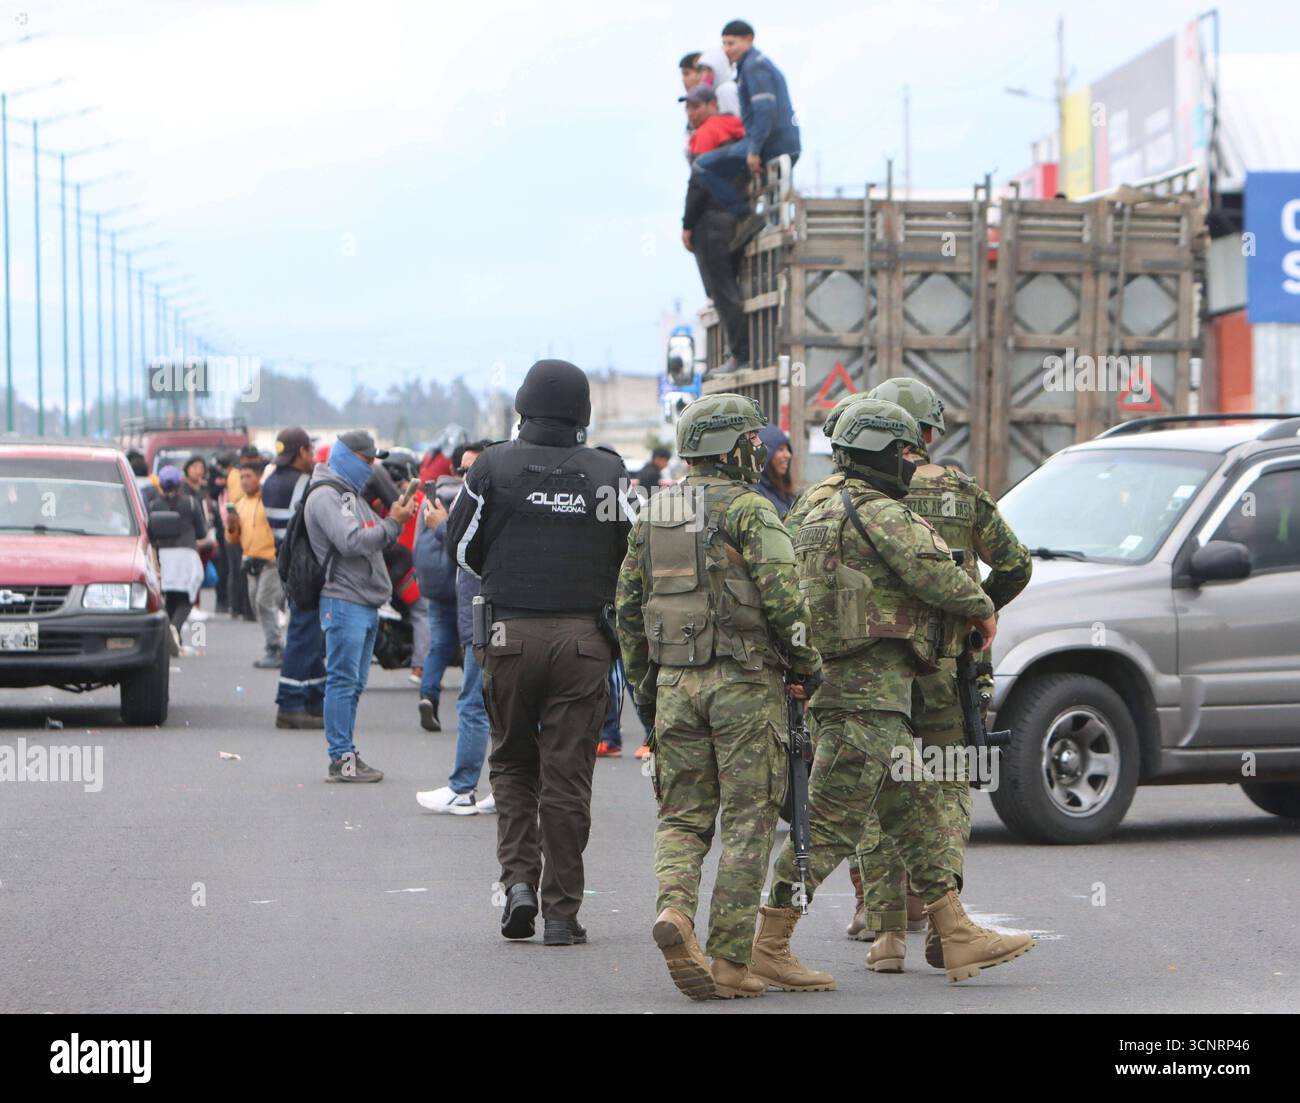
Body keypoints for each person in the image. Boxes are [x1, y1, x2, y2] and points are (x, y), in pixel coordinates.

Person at [752, 399, 1034, 989]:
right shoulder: (879, 510)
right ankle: (768, 941)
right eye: (904, 452)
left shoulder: (811, 503)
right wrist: (982, 609)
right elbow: (939, 575)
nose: (911, 463)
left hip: (845, 684)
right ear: (881, 453)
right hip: (869, 693)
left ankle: (954, 932)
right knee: (828, 824)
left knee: (911, 813)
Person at [616, 393, 822, 1001]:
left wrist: (650, 699)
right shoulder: (754, 512)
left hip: (677, 685)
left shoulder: (655, 512)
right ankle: (731, 960)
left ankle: (676, 913)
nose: (759, 449)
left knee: (681, 816)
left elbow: (627, 613)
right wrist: (808, 670)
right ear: (731, 448)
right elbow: (788, 603)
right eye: (752, 440)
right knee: (748, 822)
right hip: (746, 688)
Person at [443, 359, 634, 946]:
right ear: (583, 411)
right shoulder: (608, 472)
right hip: (583, 641)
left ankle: (518, 884)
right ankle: (561, 912)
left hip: (508, 637)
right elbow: (630, 552)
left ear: (523, 405)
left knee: (512, 763)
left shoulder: (492, 465)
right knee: (568, 777)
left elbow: (462, 550)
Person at [850, 378, 1031, 967]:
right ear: (924, 433)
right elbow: (1016, 563)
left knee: (882, 792)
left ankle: (885, 936)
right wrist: (980, 611)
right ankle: (942, 929)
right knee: (947, 791)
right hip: (949, 670)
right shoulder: (959, 492)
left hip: (878, 670)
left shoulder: (856, 493)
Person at [304, 430, 418, 782]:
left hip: (362, 602)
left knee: (352, 684)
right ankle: (341, 758)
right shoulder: (326, 496)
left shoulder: (349, 495)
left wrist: (391, 522)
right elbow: (353, 541)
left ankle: (347, 754)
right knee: (342, 682)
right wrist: (393, 523)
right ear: (347, 458)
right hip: (343, 602)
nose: (371, 469)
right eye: (366, 461)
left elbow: (371, 539)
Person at [416, 440, 498, 814]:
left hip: (487, 618)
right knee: (500, 708)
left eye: (471, 469)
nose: (464, 476)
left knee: (474, 704)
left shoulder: (492, 502)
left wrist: (441, 526)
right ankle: (507, 788)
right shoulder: (476, 499)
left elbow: (474, 551)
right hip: (477, 615)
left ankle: (462, 788)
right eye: (461, 470)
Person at [692, 19, 801, 254]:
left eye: (732, 43)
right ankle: (753, 217)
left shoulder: (754, 66)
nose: (727, 49)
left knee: (702, 166)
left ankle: (743, 214)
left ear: (749, 40)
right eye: (724, 44)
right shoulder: (751, 66)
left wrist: (754, 149)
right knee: (772, 200)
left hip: (772, 145)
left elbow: (765, 111)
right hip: (782, 144)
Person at [682, 87, 750, 377]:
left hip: (710, 219)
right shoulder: (732, 127)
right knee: (729, 287)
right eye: (688, 107)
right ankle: (737, 352)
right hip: (733, 214)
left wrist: (687, 224)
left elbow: (698, 185)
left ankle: (738, 354)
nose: (691, 112)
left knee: (721, 290)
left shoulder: (707, 134)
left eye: (696, 106)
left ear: (712, 104)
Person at [265, 427, 329, 730]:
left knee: (312, 634)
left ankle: (315, 698)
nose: (313, 457)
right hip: (305, 568)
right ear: (301, 452)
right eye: (310, 451)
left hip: (286, 565)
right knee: (304, 634)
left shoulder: (271, 481)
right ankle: (290, 703)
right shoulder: (305, 482)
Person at [413, 443, 479, 732]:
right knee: (473, 647)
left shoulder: (432, 495)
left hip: (436, 586)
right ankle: (475, 703)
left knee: (439, 646)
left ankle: (428, 697)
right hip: (466, 583)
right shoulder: (475, 497)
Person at [225, 458, 285, 668]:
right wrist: (231, 527)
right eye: (241, 477)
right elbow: (232, 539)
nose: (244, 481)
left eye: (248, 476)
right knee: (256, 605)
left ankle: (275, 648)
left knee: (263, 602)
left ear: (260, 477)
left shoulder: (270, 500)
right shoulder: (240, 504)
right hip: (250, 563)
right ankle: (276, 644)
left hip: (271, 561)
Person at [150, 465, 209, 653]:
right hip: (187, 555)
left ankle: (173, 638)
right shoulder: (191, 503)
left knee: (171, 597)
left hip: (163, 556)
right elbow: (202, 532)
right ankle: (174, 628)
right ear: (179, 483)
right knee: (187, 598)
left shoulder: (153, 506)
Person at [755, 424, 795, 517]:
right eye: (781, 449)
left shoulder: (782, 493)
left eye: (787, 449)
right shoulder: (756, 496)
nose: (788, 455)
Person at [693, 46, 740, 116]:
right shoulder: (715, 91)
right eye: (702, 70)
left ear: (720, 69)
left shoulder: (726, 90)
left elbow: (734, 123)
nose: (705, 75)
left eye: (710, 70)